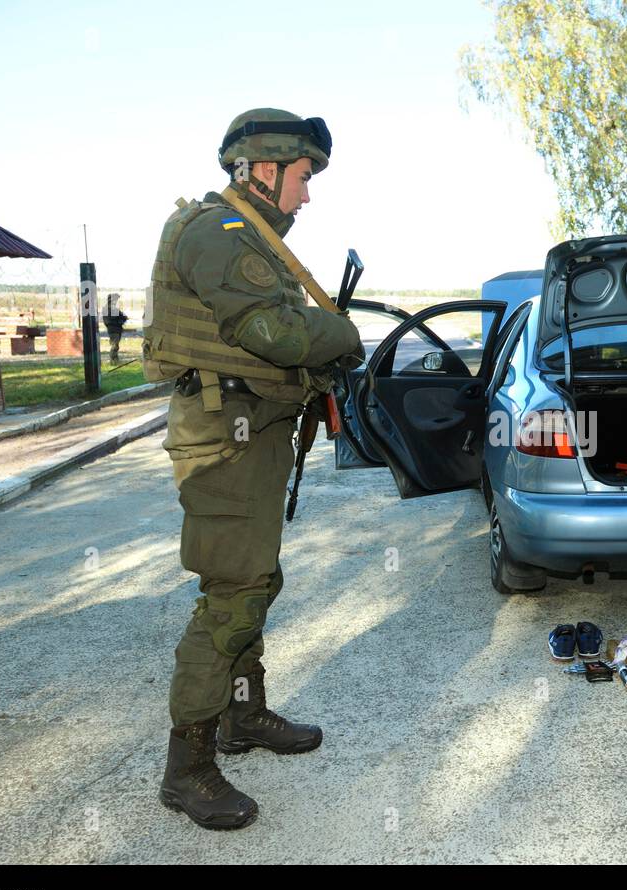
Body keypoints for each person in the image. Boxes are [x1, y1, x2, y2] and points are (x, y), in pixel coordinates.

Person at [143, 108, 364, 829]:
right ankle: (189, 766)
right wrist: (344, 333)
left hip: (252, 433)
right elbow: (273, 331)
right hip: (224, 442)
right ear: (260, 170)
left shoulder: (252, 237)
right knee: (233, 594)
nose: (308, 194)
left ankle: (244, 716)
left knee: (257, 579)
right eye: (302, 177)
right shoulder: (221, 232)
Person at [102, 293, 127, 363]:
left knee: (116, 346)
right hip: (113, 329)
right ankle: (113, 360)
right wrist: (119, 319)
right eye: (115, 299)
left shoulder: (113, 308)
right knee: (114, 346)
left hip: (117, 329)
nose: (116, 301)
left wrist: (121, 318)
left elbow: (122, 316)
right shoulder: (107, 309)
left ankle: (115, 360)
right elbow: (110, 320)